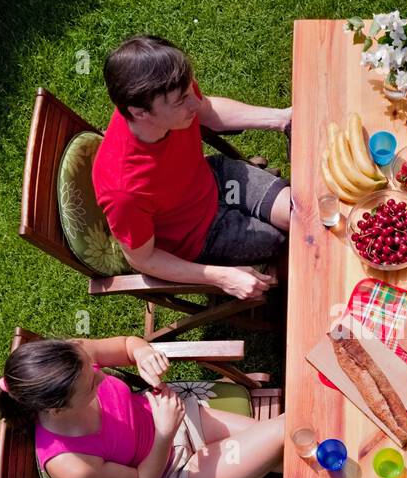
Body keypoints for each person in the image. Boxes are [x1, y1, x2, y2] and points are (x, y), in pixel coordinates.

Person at [0, 334, 284, 478]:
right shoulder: (69, 465)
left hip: (173, 419)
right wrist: (165, 433)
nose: (103, 378)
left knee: (282, 448)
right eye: (92, 383)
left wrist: (142, 353)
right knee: (282, 434)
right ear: (56, 408)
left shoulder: (72, 358)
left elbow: (128, 345)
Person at [92, 35, 291, 300]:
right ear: (140, 112)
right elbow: (143, 259)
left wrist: (281, 118)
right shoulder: (123, 190)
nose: (194, 103)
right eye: (182, 100)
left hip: (215, 179)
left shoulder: (172, 89)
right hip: (198, 237)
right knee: (282, 240)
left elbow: (208, 110)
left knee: (299, 216)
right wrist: (223, 277)